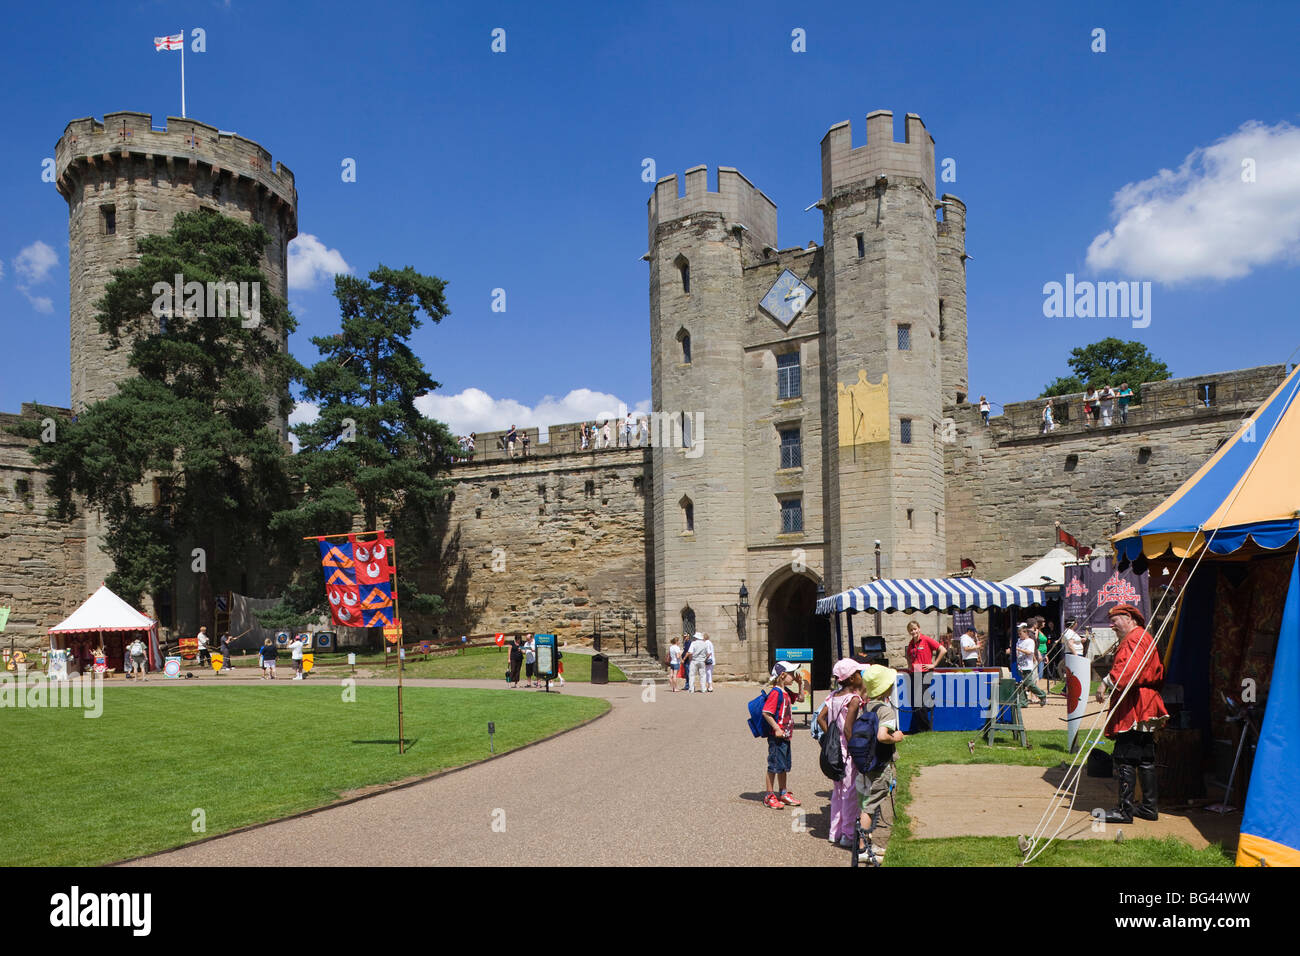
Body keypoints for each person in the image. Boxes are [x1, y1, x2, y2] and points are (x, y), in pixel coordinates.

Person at [1096, 604, 1168, 823]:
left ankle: (1124, 811)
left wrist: (1105, 683)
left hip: (1136, 705)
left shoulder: (1134, 638)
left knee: (1125, 757)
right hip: (1143, 702)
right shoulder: (1141, 636)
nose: (1112, 625)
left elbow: (1129, 670)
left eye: (1115, 620)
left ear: (1128, 618)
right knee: (1144, 758)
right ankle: (1148, 807)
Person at [855, 663, 904, 866]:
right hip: (880, 764)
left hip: (866, 762)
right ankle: (863, 848)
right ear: (886, 688)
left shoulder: (867, 706)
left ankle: (866, 843)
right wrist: (897, 737)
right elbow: (882, 736)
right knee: (871, 806)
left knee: (866, 803)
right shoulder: (885, 711)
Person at [821, 659, 866, 848]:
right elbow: (848, 729)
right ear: (852, 678)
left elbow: (821, 718)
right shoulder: (853, 700)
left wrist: (831, 736)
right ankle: (847, 834)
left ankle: (834, 831)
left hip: (834, 752)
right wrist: (855, 750)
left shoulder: (832, 697)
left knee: (838, 791)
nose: (861, 677)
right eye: (858, 674)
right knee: (849, 793)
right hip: (847, 752)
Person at [762, 661, 805, 809]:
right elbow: (766, 712)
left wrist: (800, 685)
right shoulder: (775, 692)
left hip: (786, 736)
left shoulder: (786, 691)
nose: (794, 676)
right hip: (777, 736)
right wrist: (776, 728)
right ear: (782, 675)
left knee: (784, 766)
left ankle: (783, 792)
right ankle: (769, 795)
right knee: (774, 765)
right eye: (791, 674)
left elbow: (801, 699)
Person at [904, 620, 945, 732]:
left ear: (919, 629)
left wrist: (934, 664)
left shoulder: (926, 640)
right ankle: (920, 727)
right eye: (911, 630)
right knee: (914, 701)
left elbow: (943, 649)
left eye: (915, 629)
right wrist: (909, 666)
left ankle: (925, 729)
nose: (913, 631)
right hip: (914, 673)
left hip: (925, 672)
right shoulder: (911, 644)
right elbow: (907, 655)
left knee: (919, 700)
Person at [1015, 623, 1047, 706]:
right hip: (1020, 665)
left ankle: (1042, 695)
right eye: (1018, 634)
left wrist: (1018, 649)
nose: (1019, 635)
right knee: (1021, 684)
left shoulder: (1030, 641)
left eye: (1020, 633)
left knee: (1029, 684)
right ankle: (1023, 702)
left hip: (1027, 666)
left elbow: (1030, 652)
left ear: (1025, 632)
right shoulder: (1019, 641)